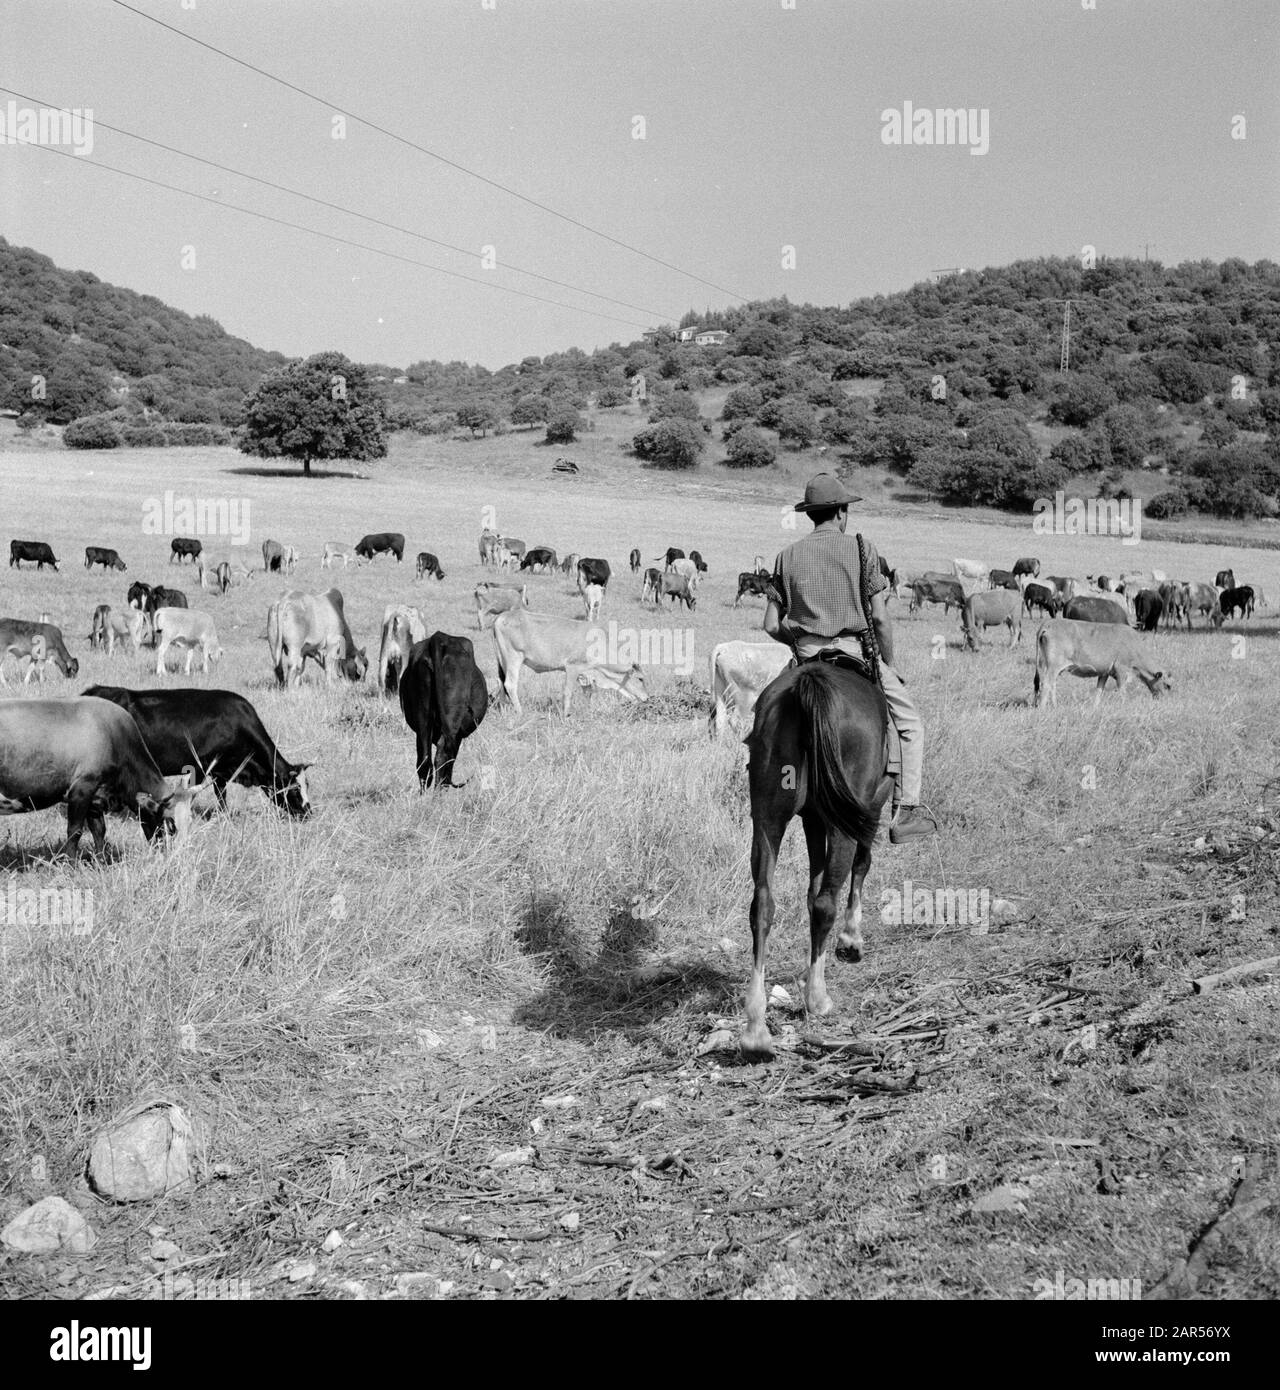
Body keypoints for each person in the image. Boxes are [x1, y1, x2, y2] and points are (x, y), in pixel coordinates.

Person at [763, 473, 938, 844]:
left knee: (765, 715)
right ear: (841, 513)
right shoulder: (862, 549)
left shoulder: (787, 555)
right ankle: (907, 811)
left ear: (810, 515)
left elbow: (769, 624)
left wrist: (796, 640)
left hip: (806, 657)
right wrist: (886, 664)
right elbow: (878, 618)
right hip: (854, 654)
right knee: (909, 726)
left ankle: (765, 777)